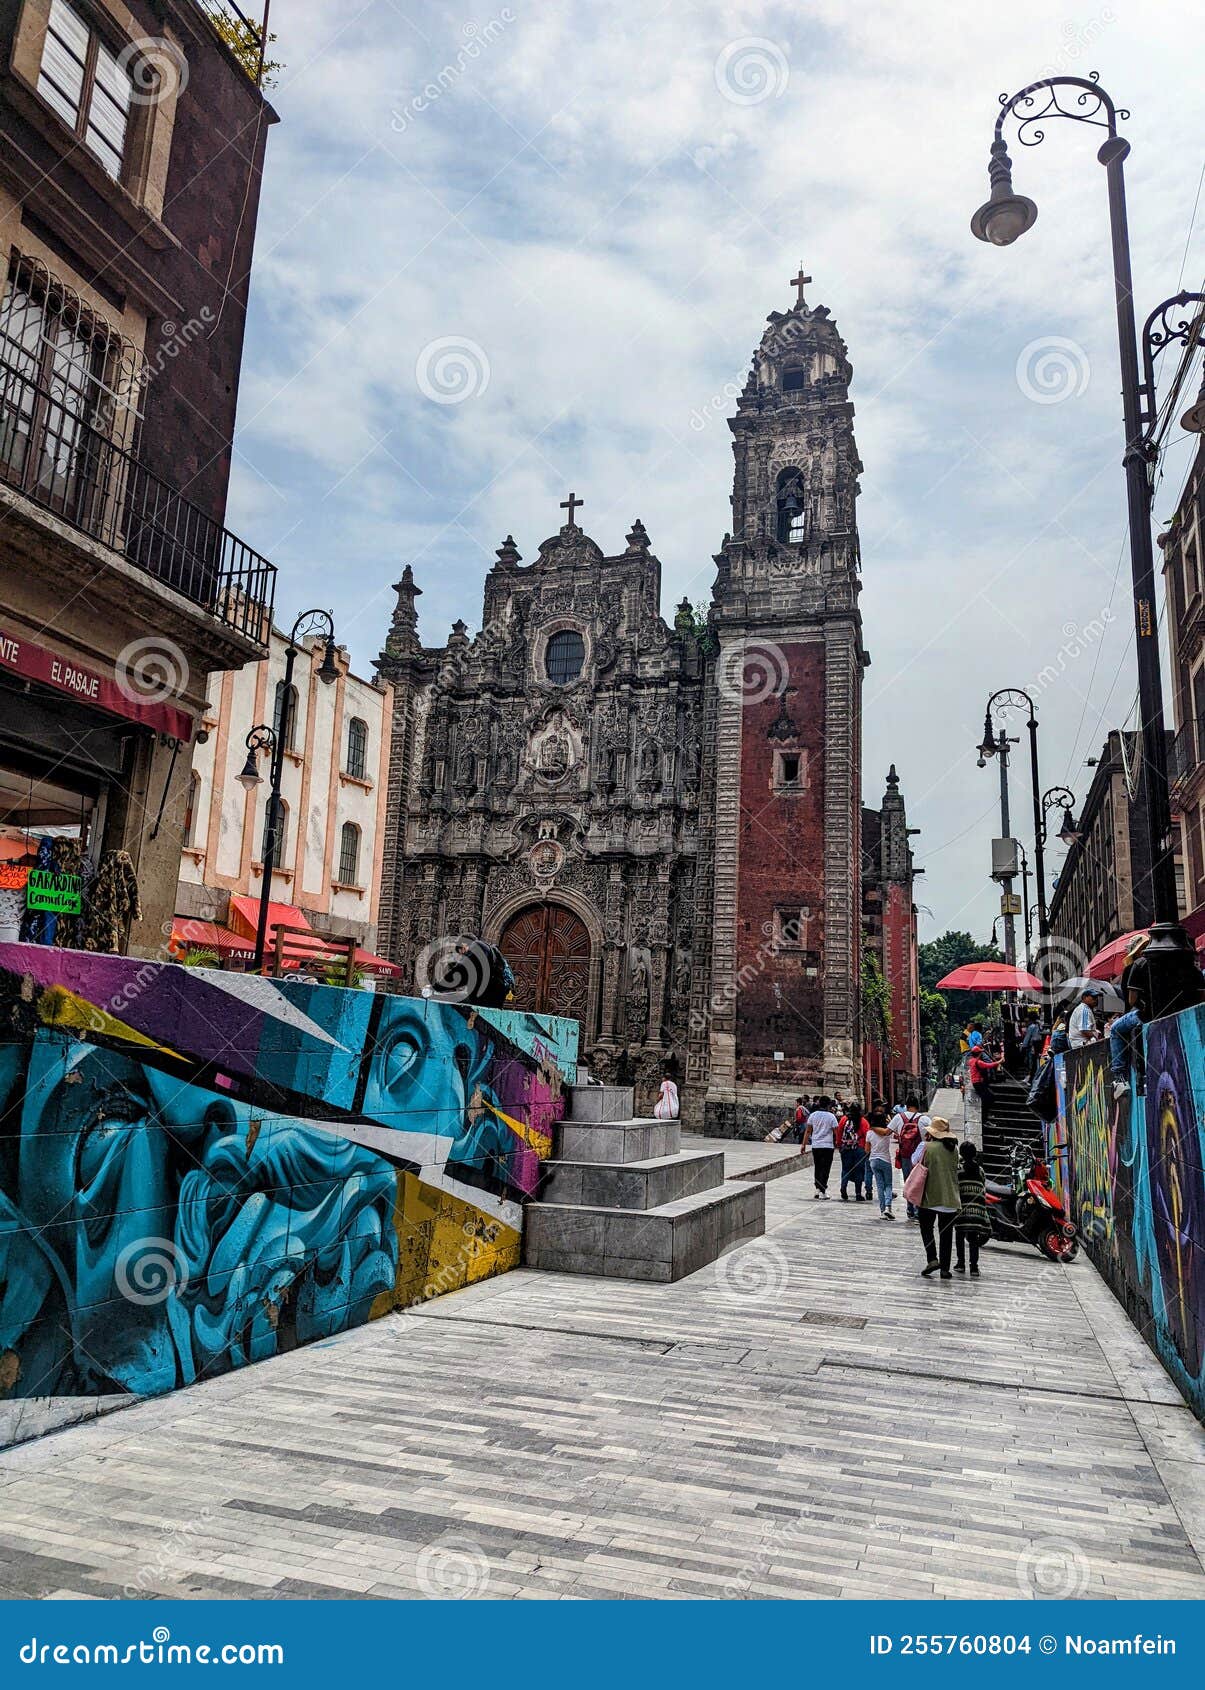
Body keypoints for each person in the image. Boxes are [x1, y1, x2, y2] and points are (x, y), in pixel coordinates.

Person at [915, 1117, 962, 1279]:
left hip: (929, 1196)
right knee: (946, 1234)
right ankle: (945, 1269)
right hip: (950, 1198)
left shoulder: (926, 1147)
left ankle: (932, 1258)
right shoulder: (954, 1149)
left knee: (926, 1229)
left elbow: (915, 1162)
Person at [1111, 935, 1151, 1100]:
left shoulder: (1135, 966)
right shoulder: (1160, 961)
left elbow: (1131, 1000)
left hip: (1143, 1014)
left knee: (1115, 1029)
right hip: (1159, 1011)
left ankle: (1119, 1078)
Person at [953, 1140, 990, 1277]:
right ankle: (974, 1267)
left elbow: (955, 1187)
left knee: (959, 1235)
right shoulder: (980, 1170)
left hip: (962, 1209)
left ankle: (960, 1263)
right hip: (977, 1210)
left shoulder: (958, 1169)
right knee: (973, 1239)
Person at [892, 1095, 929, 1220]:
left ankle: (909, 1209)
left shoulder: (898, 1117)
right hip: (920, 1156)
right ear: (918, 1106)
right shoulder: (924, 1119)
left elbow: (888, 1132)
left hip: (905, 1155)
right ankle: (918, 1209)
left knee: (908, 1181)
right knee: (919, 1182)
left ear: (906, 1105)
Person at [802, 1096, 839, 1199]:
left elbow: (808, 1131)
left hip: (816, 1145)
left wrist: (803, 1144)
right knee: (826, 1168)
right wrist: (838, 1143)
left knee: (818, 1167)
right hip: (828, 1146)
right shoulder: (831, 1117)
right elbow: (836, 1132)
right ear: (828, 1105)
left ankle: (817, 1188)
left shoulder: (813, 1115)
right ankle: (823, 1189)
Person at [865, 1105, 897, 1218]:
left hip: (873, 1160)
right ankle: (888, 1207)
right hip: (885, 1160)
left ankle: (882, 1210)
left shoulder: (869, 1133)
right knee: (888, 1185)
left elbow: (867, 1150)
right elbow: (895, 1130)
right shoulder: (887, 1134)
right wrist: (888, 1120)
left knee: (879, 1186)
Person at [837, 1099, 870, 1201]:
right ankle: (858, 1193)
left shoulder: (843, 1119)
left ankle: (843, 1187)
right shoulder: (863, 1121)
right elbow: (867, 1136)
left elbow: (839, 1133)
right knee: (859, 1171)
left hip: (846, 1148)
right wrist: (868, 1149)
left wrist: (839, 1145)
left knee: (845, 1169)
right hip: (859, 1149)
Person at [967, 1042, 1003, 1109]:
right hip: (978, 1083)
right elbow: (989, 1065)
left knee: (987, 1096)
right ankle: (985, 1112)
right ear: (979, 1054)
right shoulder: (978, 1062)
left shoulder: (971, 1061)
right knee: (989, 1097)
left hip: (975, 1082)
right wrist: (999, 1061)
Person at [1068, 985, 1102, 1050]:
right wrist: (1097, 1038)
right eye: (1093, 997)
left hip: (1079, 1043)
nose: (1096, 1000)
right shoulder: (1084, 1010)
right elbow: (1084, 1029)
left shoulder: (1084, 1008)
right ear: (1084, 997)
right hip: (1081, 1044)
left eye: (1096, 997)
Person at [1020, 1012, 1046, 1082]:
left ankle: (1031, 1078)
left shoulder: (1032, 1026)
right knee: (1037, 1061)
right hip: (1041, 1045)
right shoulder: (1041, 1025)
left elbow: (1027, 1038)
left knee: (1032, 1062)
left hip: (1033, 1046)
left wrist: (1023, 1046)